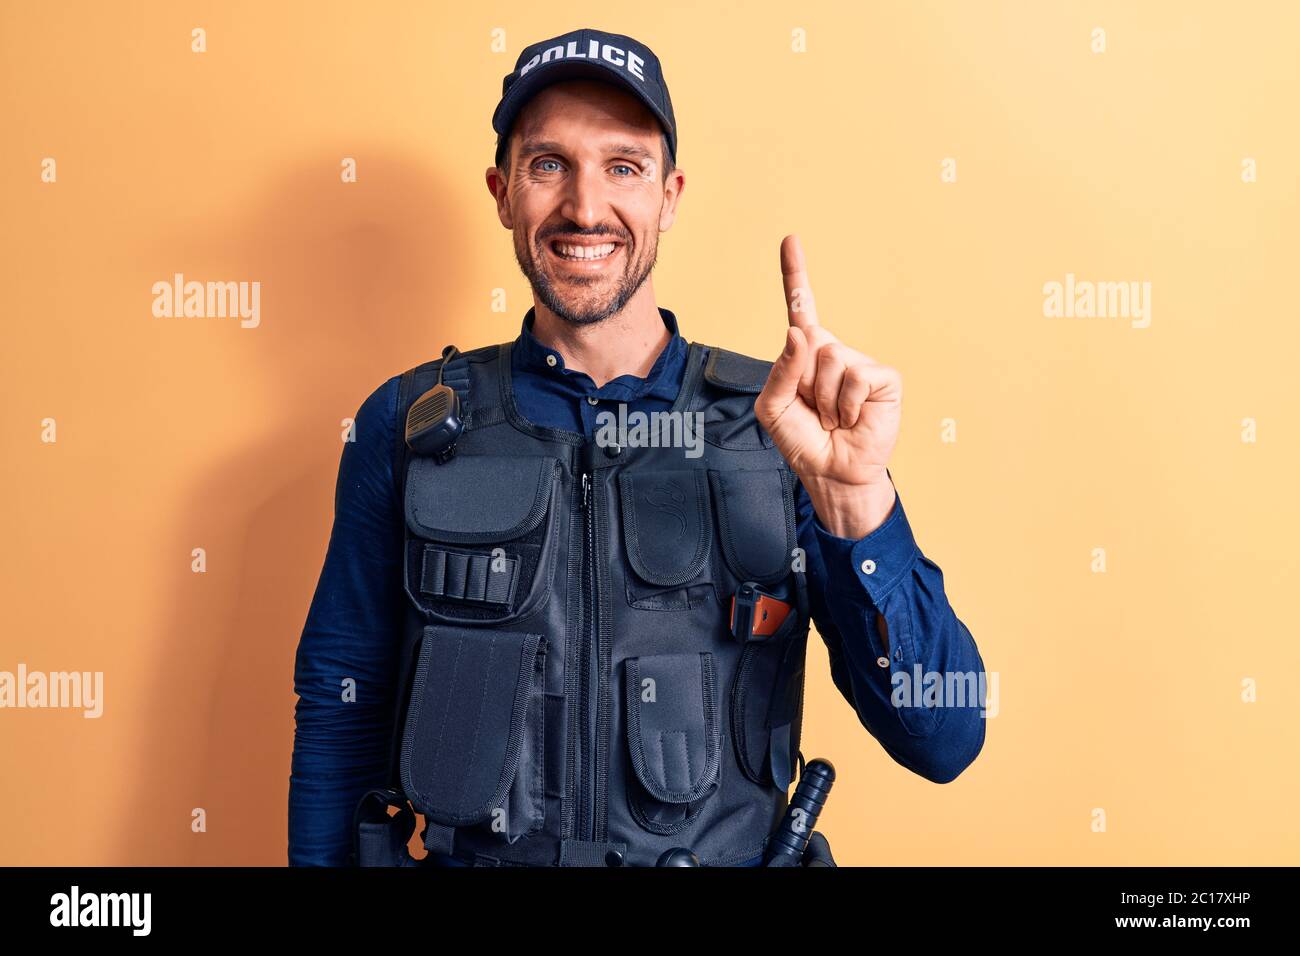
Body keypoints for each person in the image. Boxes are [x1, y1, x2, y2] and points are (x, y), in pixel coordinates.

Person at [289, 28, 986, 867]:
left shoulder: (785, 429)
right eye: (549, 164)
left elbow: (943, 741)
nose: (586, 208)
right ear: (503, 191)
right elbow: (340, 712)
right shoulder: (405, 425)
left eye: (624, 167)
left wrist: (856, 503)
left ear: (671, 195)